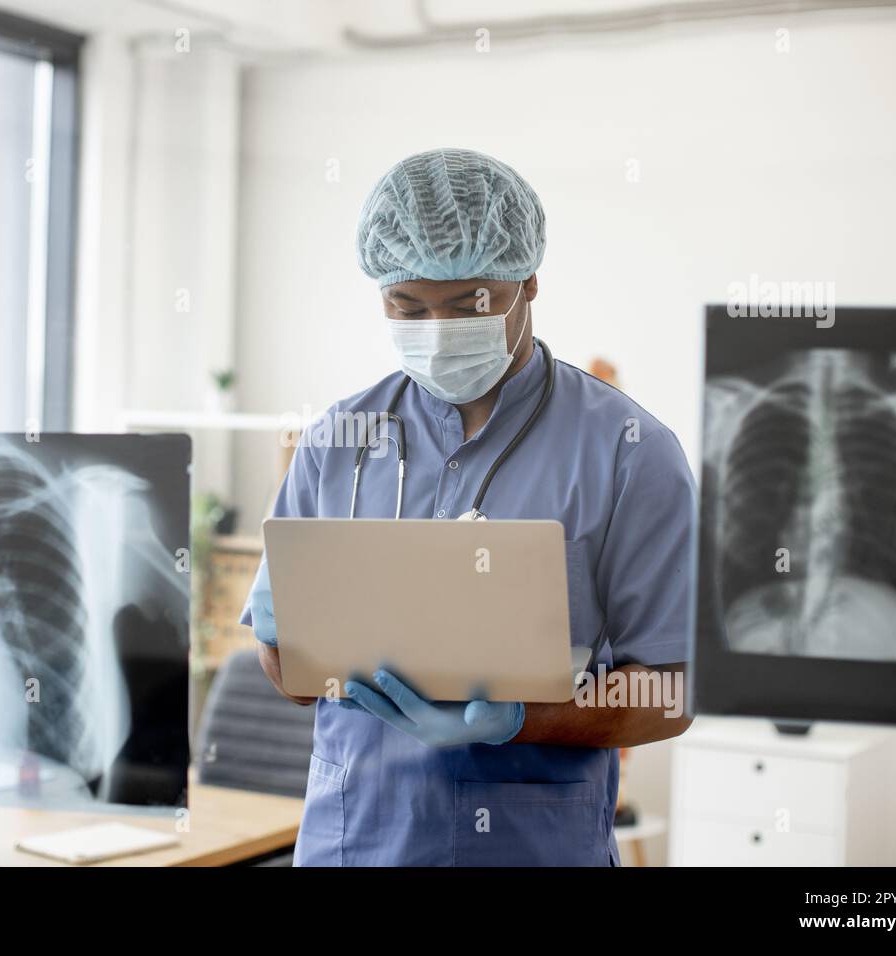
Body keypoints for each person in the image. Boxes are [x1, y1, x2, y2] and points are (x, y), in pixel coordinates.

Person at [240, 147, 696, 866]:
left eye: (467, 305)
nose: (437, 328)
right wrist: (292, 655)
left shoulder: (629, 452)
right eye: (408, 307)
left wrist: (518, 720)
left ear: (529, 283)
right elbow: (283, 669)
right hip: (352, 843)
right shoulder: (337, 440)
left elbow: (672, 696)